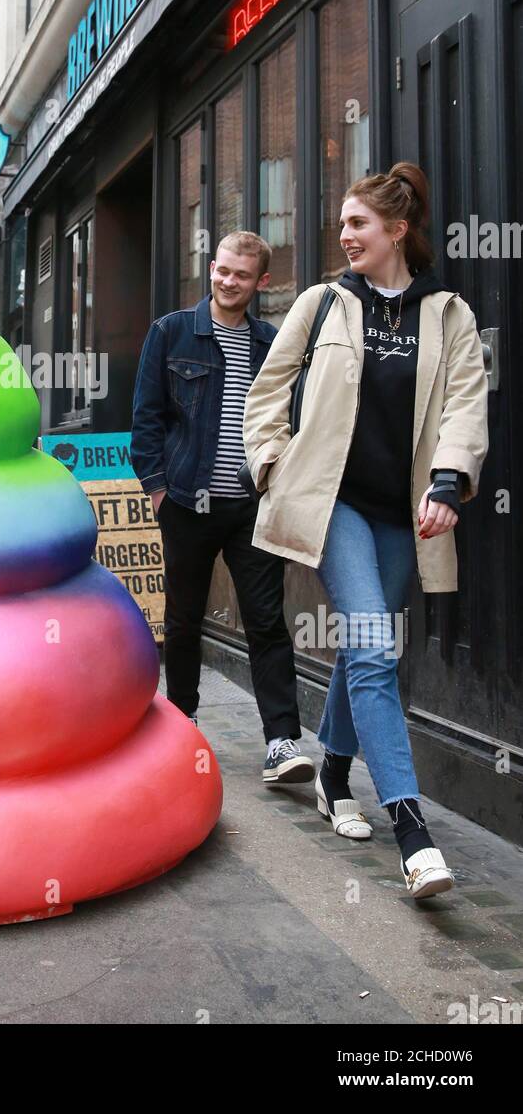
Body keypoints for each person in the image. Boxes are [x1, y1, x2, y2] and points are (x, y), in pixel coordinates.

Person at [242, 162, 488, 900]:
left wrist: (448, 482)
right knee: (376, 651)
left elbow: (464, 408)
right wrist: (272, 465)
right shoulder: (322, 303)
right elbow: (267, 392)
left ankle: (334, 772)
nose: (343, 236)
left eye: (356, 224)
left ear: (395, 231)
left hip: (403, 513)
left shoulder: (448, 315)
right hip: (336, 505)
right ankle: (412, 834)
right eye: (343, 224)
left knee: (362, 645)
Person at [131, 232, 315, 786]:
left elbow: (290, 418)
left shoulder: (271, 342)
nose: (228, 282)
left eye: (242, 275)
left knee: (266, 622)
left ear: (261, 282)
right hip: (186, 502)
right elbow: (147, 418)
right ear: (210, 268)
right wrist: (158, 490)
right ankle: (183, 721)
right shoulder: (171, 332)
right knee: (184, 619)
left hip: (250, 507)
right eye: (222, 271)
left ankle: (282, 742)